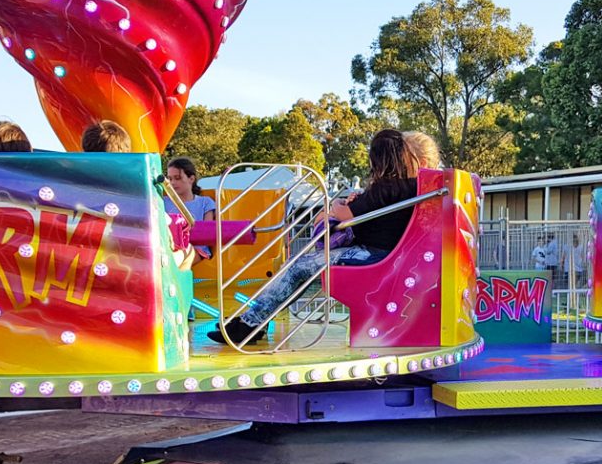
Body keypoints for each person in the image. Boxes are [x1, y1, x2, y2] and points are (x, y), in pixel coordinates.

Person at [210, 129, 420, 345]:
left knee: (297, 267)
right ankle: (253, 322)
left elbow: (343, 213)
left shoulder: (385, 187)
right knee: (298, 267)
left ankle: (249, 325)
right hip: (385, 252)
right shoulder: (411, 186)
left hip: (371, 254)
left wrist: (337, 203)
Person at [165, 157, 217, 262]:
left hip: (196, 250)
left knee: (183, 253)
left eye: (177, 178)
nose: (173, 182)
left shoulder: (205, 202)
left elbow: (208, 233)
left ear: (191, 179)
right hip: (169, 247)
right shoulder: (163, 202)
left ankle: (169, 264)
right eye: (170, 179)